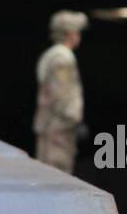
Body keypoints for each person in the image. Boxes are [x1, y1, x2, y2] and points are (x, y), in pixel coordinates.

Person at [34, 10, 88, 173]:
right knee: (57, 172)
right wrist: (74, 119)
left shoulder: (53, 55)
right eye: (77, 32)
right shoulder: (62, 58)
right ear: (70, 34)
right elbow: (62, 96)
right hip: (58, 129)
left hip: (53, 126)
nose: (79, 36)